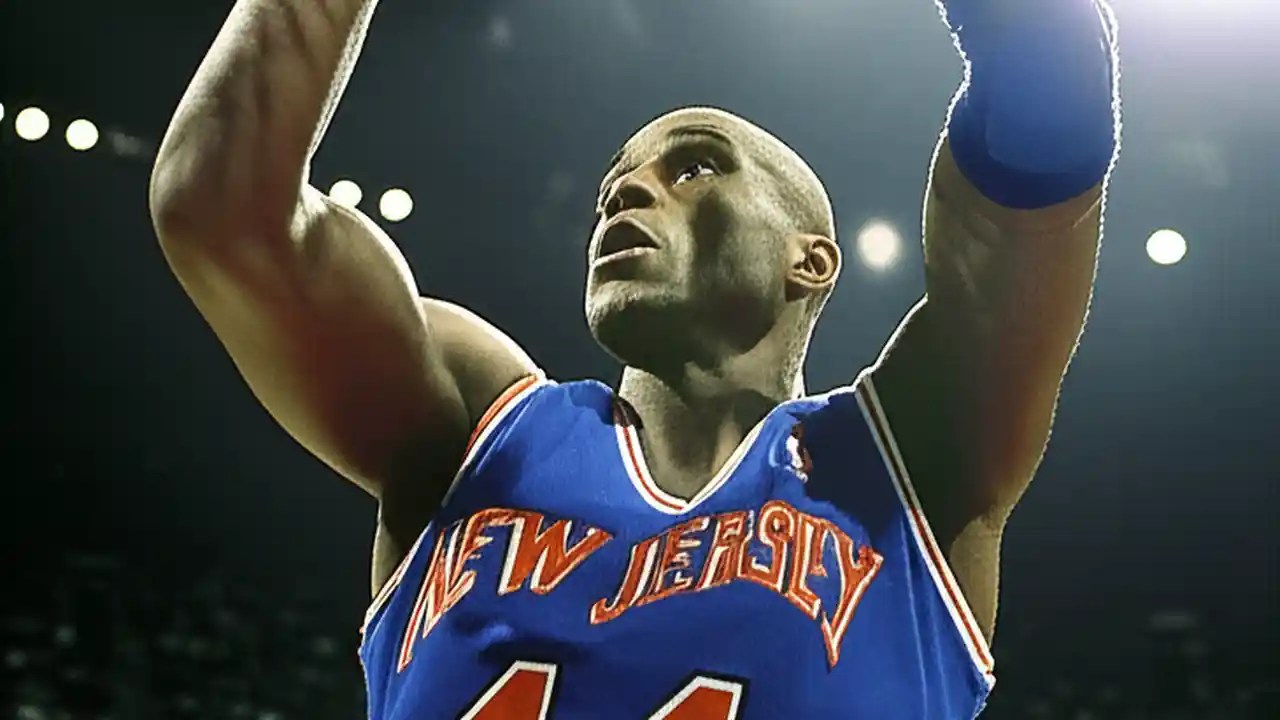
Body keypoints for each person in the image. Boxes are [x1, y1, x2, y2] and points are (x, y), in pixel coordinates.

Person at [149, 0, 1120, 717]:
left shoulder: (909, 457)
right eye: (613, 185)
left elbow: (1050, 111)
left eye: (691, 165)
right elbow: (224, 213)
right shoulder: (475, 427)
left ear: (810, 260)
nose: (627, 192)